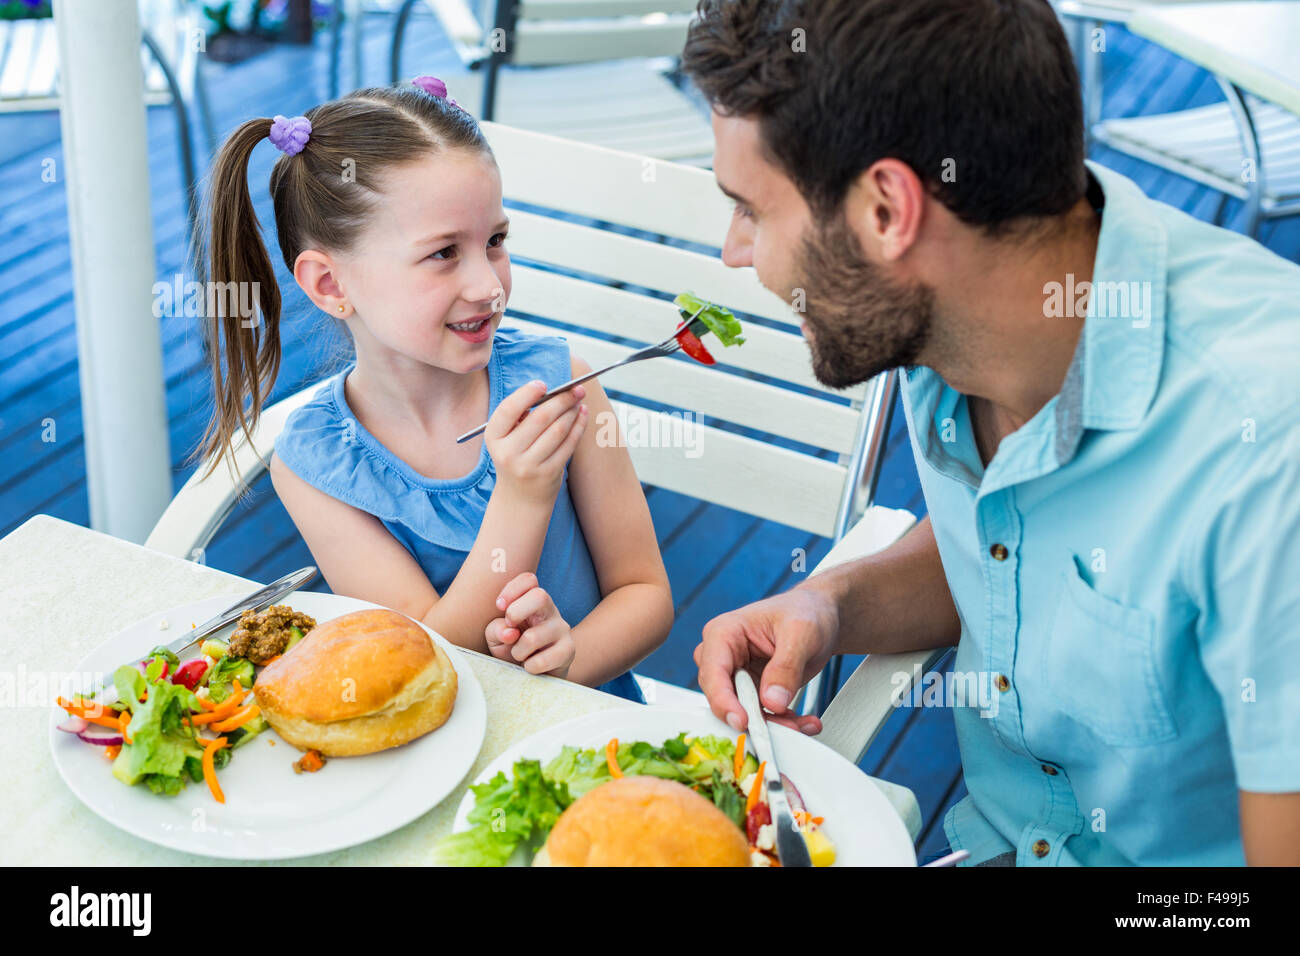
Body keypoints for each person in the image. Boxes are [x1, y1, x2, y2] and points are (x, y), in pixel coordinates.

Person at [684, 0, 1300, 865]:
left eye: (749, 208)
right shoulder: (941, 317)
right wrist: (831, 604)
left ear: (889, 211)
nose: (734, 252)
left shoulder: (1270, 453)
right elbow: (1023, 544)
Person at [187, 77, 673, 702]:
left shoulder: (560, 392)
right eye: (444, 253)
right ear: (331, 285)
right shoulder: (316, 469)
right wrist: (522, 497)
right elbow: (425, 660)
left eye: (495, 242)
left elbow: (645, 594)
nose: (487, 285)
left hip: (589, 732)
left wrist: (569, 663)